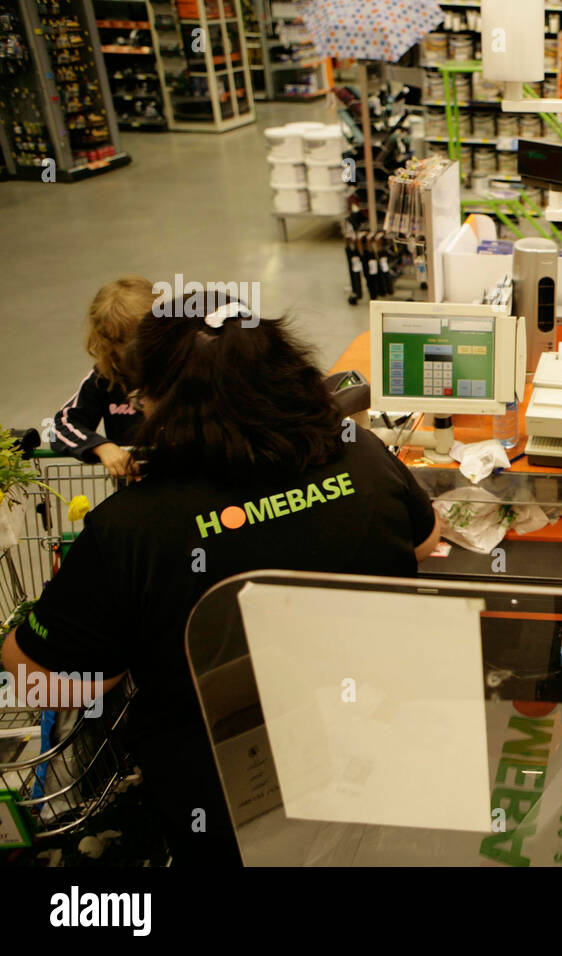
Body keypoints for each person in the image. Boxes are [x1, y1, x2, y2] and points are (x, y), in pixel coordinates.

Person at [2, 297, 444, 865]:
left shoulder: (132, 527)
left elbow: (61, 681)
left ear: (162, 404)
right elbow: (426, 539)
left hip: (232, 800)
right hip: (374, 750)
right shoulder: (363, 458)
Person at [49, 276, 156, 477]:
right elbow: (62, 426)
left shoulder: (184, 366)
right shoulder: (105, 377)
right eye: (121, 341)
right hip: (133, 489)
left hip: (190, 483)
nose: (132, 349)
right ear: (105, 339)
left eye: (142, 337)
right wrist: (102, 447)